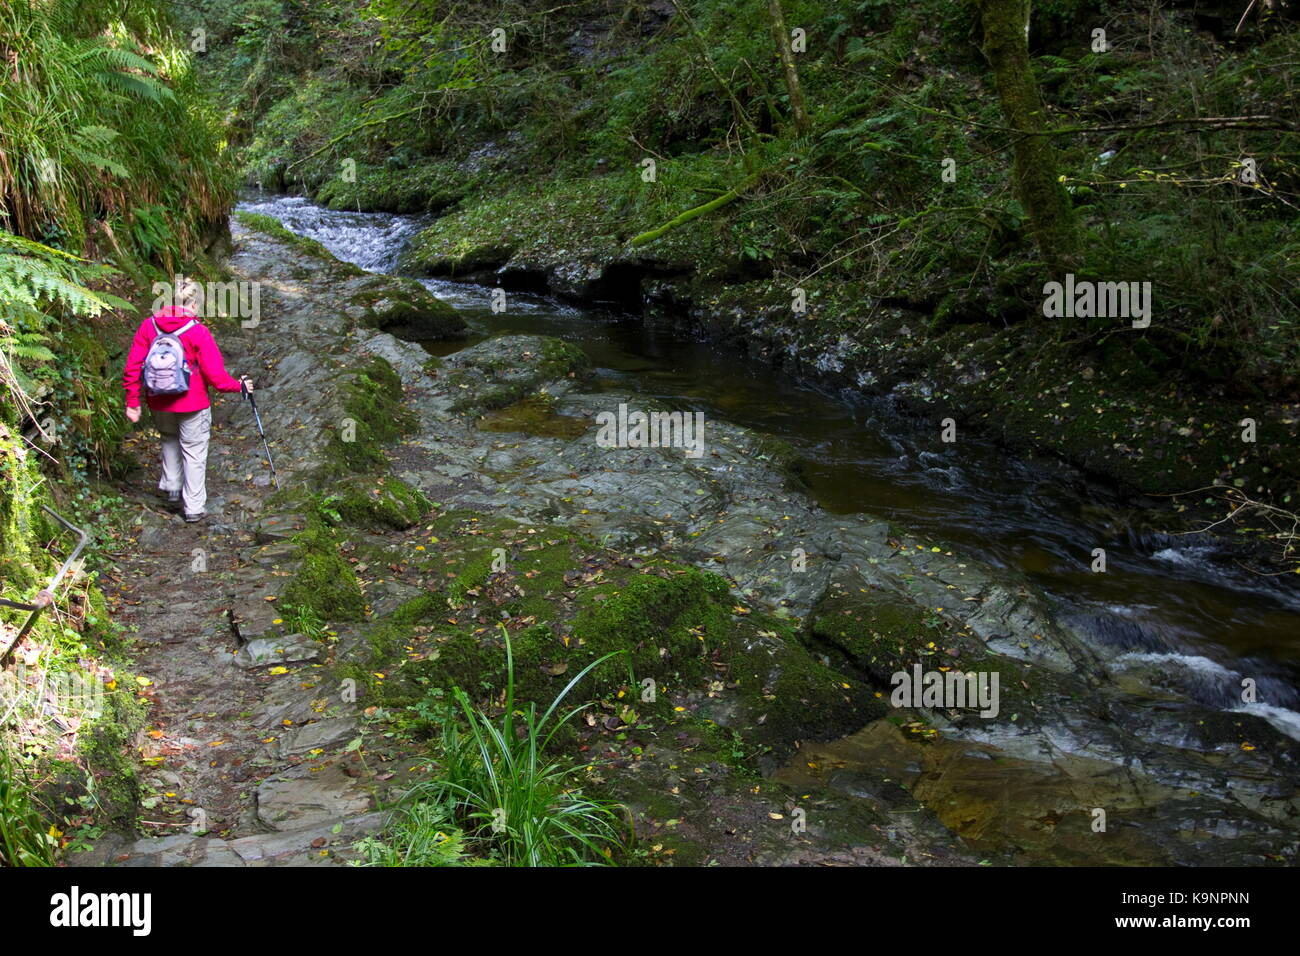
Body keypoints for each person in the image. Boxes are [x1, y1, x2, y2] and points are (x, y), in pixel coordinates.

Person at [122, 278, 253, 523]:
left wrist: (133, 401)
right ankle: (193, 508)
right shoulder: (198, 331)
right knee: (194, 451)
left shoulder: (148, 326)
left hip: (158, 400)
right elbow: (216, 376)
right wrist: (240, 386)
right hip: (193, 404)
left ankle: (171, 490)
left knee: (170, 440)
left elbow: (132, 367)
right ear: (194, 304)